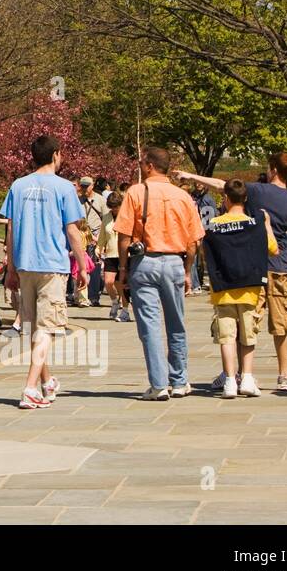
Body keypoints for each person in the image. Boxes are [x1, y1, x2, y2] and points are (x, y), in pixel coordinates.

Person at [180, 152, 287, 392]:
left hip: (252, 268)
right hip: (280, 269)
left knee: (242, 323)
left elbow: (222, 186)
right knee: (281, 325)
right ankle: (284, 374)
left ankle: (238, 374)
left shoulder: (257, 191)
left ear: (274, 170)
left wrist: (190, 175)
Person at [0, 135, 89, 409]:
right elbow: (72, 230)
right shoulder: (63, 188)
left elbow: (11, 229)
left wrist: (11, 268)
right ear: (55, 155)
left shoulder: (18, 185)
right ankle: (29, 388)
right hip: (52, 266)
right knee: (45, 330)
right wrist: (82, 265)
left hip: (25, 264)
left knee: (35, 328)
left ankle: (46, 381)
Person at [117, 147, 204, 401]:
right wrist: (188, 270)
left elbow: (123, 235)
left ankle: (158, 384)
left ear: (150, 166)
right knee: (176, 322)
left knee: (150, 326)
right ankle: (179, 380)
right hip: (175, 262)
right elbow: (193, 241)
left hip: (145, 262)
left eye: (142, 162)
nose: (140, 166)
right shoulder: (183, 197)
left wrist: (123, 269)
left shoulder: (136, 192)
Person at [202, 179, 275, 398]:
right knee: (248, 335)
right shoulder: (255, 223)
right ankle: (248, 378)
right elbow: (273, 248)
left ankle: (230, 380)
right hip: (249, 289)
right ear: (245, 199)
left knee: (226, 337)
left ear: (225, 198)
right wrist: (268, 224)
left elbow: (204, 252)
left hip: (222, 290)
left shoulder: (213, 224)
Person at [99, 191, 131, 321]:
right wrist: (99, 247)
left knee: (121, 284)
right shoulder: (106, 217)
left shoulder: (127, 216)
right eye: (111, 207)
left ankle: (125, 310)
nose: (114, 209)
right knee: (108, 281)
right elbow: (103, 234)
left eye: (116, 207)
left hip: (125, 254)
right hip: (111, 253)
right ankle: (114, 302)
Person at [77, 176, 106, 306]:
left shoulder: (100, 200)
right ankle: (81, 296)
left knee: (94, 267)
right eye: (82, 186)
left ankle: (94, 296)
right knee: (80, 266)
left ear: (92, 186)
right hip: (82, 235)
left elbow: (106, 219)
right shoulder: (78, 200)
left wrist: (101, 238)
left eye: (86, 186)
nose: (84, 188)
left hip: (96, 235)